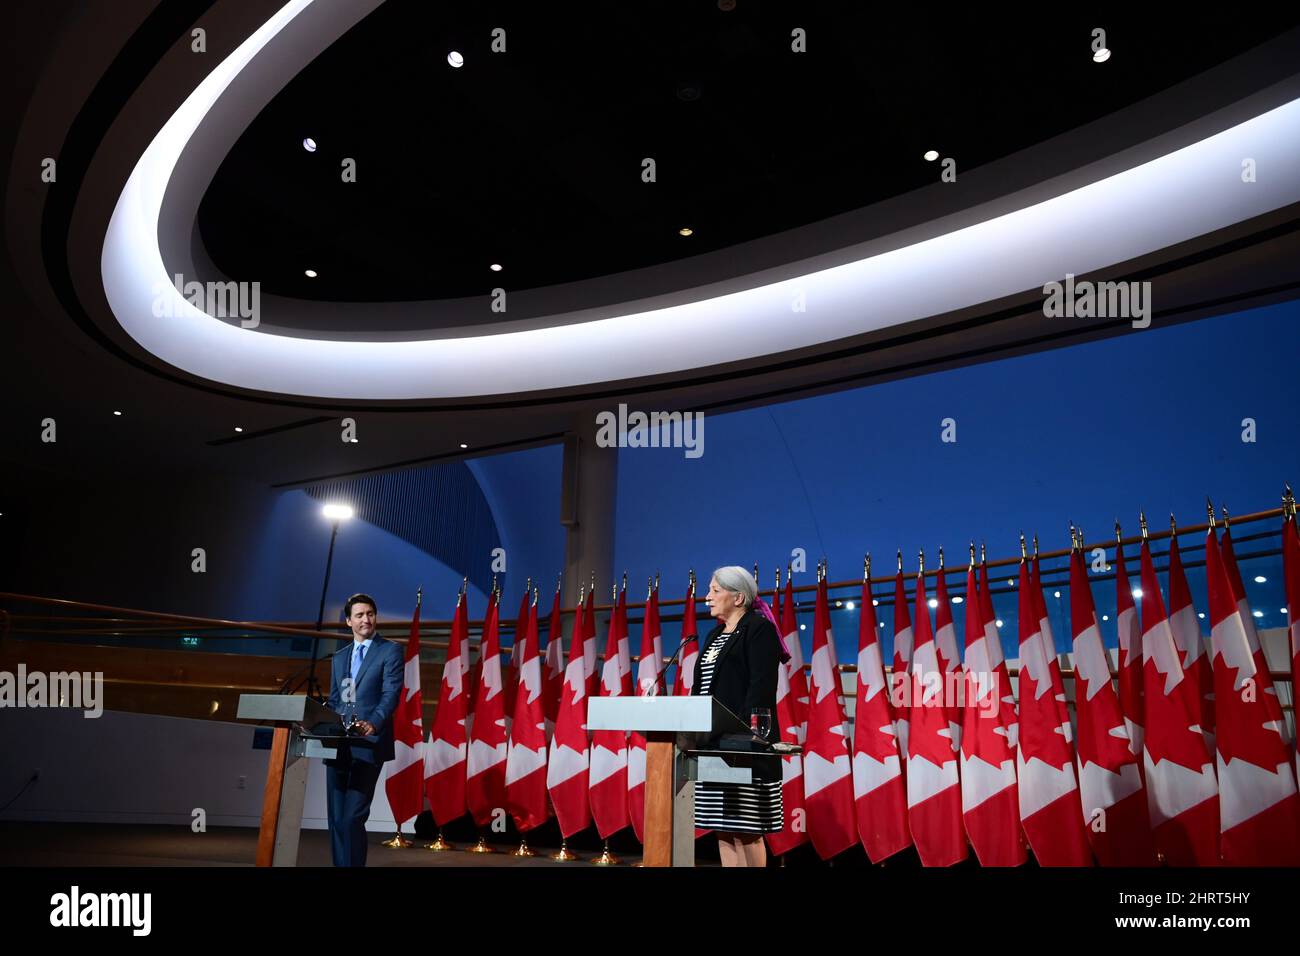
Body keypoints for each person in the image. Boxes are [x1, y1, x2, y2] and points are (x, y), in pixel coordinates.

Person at [692, 566, 784, 867]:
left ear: (739, 597)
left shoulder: (759, 629)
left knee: (746, 829)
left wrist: (744, 736)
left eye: (715, 591)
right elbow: (702, 688)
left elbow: (761, 688)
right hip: (710, 743)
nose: (707, 597)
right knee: (722, 827)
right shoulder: (713, 635)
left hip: (743, 746)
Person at [324, 593, 402, 867]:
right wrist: (322, 720)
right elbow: (336, 699)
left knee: (352, 817)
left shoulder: (389, 650)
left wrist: (374, 722)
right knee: (335, 819)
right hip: (337, 744)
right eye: (359, 615)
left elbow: (391, 693)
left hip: (368, 744)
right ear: (348, 621)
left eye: (370, 613)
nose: (366, 619)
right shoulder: (340, 657)